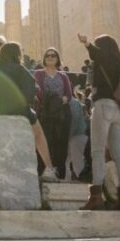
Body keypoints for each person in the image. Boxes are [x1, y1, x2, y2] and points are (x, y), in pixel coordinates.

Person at [0, 42, 59, 182]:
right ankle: (49, 169)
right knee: (39, 135)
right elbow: (30, 90)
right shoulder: (20, 69)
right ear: (17, 54)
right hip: (19, 112)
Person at [77, 33, 120, 211]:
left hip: (103, 106)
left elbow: (96, 53)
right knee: (118, 154)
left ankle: (96, 197)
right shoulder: (118, 63)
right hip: (118, 110)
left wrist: (87, 43)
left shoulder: (103, 58)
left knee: (97, 151)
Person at [34, 48, 73, 179]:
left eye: (53, 56)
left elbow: (69, 93)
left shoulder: (63, 75)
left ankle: (59, 173)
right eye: (48, 56)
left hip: (61, 113)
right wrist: (50, 101)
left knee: (61, 143)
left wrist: (60, 101)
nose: (50, 57)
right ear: (44, 59)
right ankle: (44, 171)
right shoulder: (38, 74)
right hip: (45, 113)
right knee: (45, 141)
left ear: (57, 59)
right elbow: (37, 91)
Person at [66, 94, 89, 180]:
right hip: (77, 135)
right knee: (69, 161)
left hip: (76, 136)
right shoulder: (74, 102)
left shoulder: (72, 102)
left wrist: (69, 135)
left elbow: (74, 119)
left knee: (77, 162)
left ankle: (81, 179)